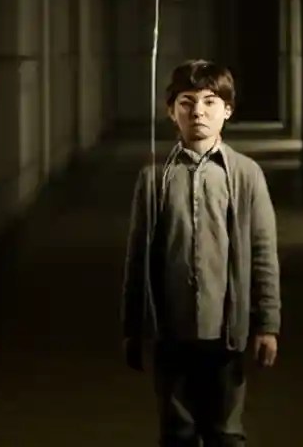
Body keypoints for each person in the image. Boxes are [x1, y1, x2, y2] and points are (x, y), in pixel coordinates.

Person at [121, 59, 282, 446]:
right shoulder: (154, 178)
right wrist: (132, 327)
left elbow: (263, 253)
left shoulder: (245, 175)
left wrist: (268, 324)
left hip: (225, 332)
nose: (198, 111)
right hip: (170, 331)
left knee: (225, 433)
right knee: (177, 433)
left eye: (210, 102)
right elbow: (137, 258)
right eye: (187, 102)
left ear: (227, 109)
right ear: (171, 111)